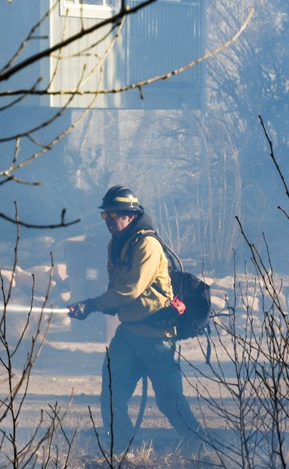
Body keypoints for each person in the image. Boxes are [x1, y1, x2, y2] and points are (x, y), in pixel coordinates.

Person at [68, 186, 203, 451]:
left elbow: (130, 289)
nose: (108, 221)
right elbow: (116, 289)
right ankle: (121, 452)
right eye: (105, 216)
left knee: (169, 400)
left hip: (156, 338)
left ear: (130, 216)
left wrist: (93, 304)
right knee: (111, 396)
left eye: (113, 215)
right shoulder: (116, 245)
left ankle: (199, 444)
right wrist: (102, 305)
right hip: (128, 334)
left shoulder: (148, 245)